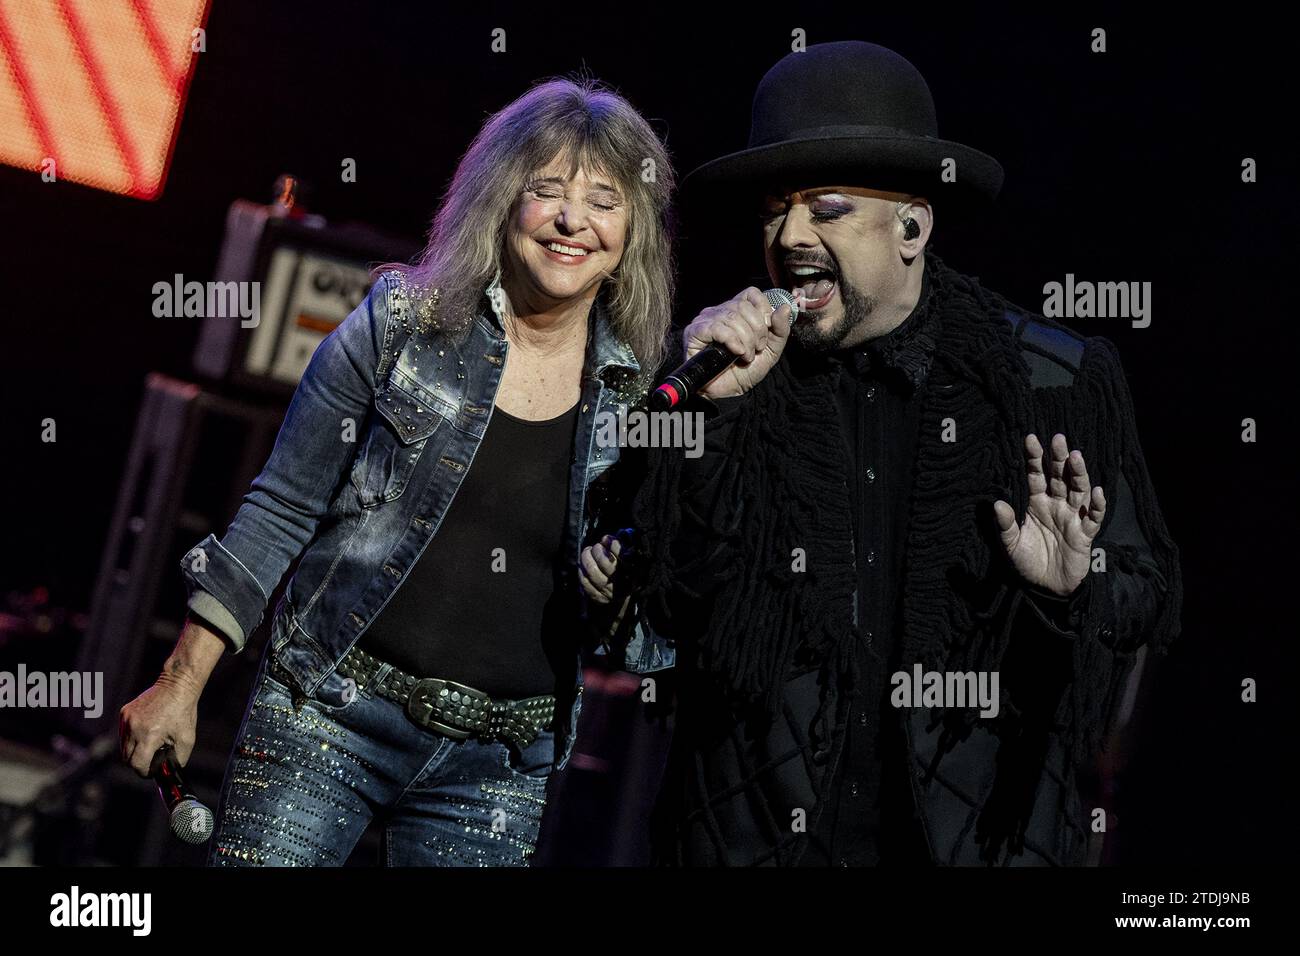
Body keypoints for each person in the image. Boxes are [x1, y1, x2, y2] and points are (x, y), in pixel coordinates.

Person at [581, 41, 1182, 866]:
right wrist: (711, 427)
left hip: (980, 842)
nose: (790, 235)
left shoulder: (1050, 381)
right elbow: (661, 609)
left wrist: (1071, 590)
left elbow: (1144, 595)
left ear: (911, 226)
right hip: (754, 841)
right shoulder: (725, 376)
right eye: (774, 210)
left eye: (825, 209)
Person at [119, 76, 675, 866]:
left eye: (604, 200)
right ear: (500, 200)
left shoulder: (645, 403)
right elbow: (280, 507)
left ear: (635, 232)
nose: (571, 221)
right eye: (546, 190)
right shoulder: (400, 324)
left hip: (498, 770)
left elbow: (653, 632)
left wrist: (628, 589)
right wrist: (181, 680)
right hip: (329, 714)